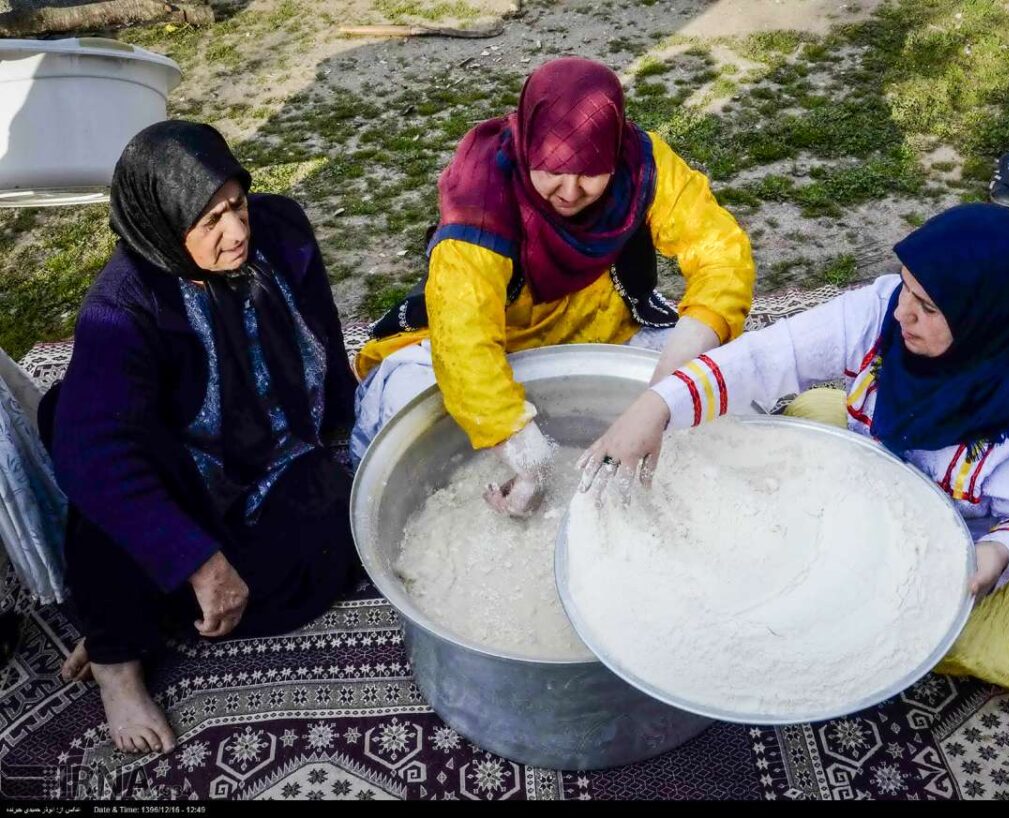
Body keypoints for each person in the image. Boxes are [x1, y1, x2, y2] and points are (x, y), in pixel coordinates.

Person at [581, 203, 1009, 699]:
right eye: (906, 288)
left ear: (990, 323)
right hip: (900, 467)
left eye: (928, 307)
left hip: (987, 526)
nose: (903, 312)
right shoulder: (888, 311)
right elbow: (777, 354)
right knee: (805, 418)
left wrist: (997, 552)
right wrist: (656, 408)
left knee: (936, 635)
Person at [48, 121, 360, 754]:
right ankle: (116, 659)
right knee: (100, 483)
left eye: (237, 205)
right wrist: (196, 560)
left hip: (270, 449)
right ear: (163, 226)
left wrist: (343, 437)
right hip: (182, 463)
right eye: (210, 221)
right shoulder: (123, 306)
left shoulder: (281, 232)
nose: (238, 231)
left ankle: (147, 603)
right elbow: (97, 455)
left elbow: (323, 334)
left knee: (337, 542)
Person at [352, 56, 755, 516]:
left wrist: (662, 394)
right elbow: (464, 337)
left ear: (614, 148)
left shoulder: (644, 164)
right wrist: (529, 460)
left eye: (590, 172)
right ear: (526, 145)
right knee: (408, 407)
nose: (569, 190)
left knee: (726, 376)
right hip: (496, 338)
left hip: (600, 322)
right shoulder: (480, 195)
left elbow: (723, 255)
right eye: (552, 170)